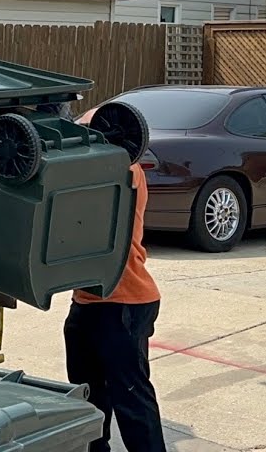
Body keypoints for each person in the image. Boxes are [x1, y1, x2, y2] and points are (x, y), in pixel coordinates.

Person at [64, 108, 166, 452]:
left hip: (124, 300)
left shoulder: (123, 172)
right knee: (87, 393)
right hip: (90, 300)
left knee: (131, 397)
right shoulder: (104, 169)